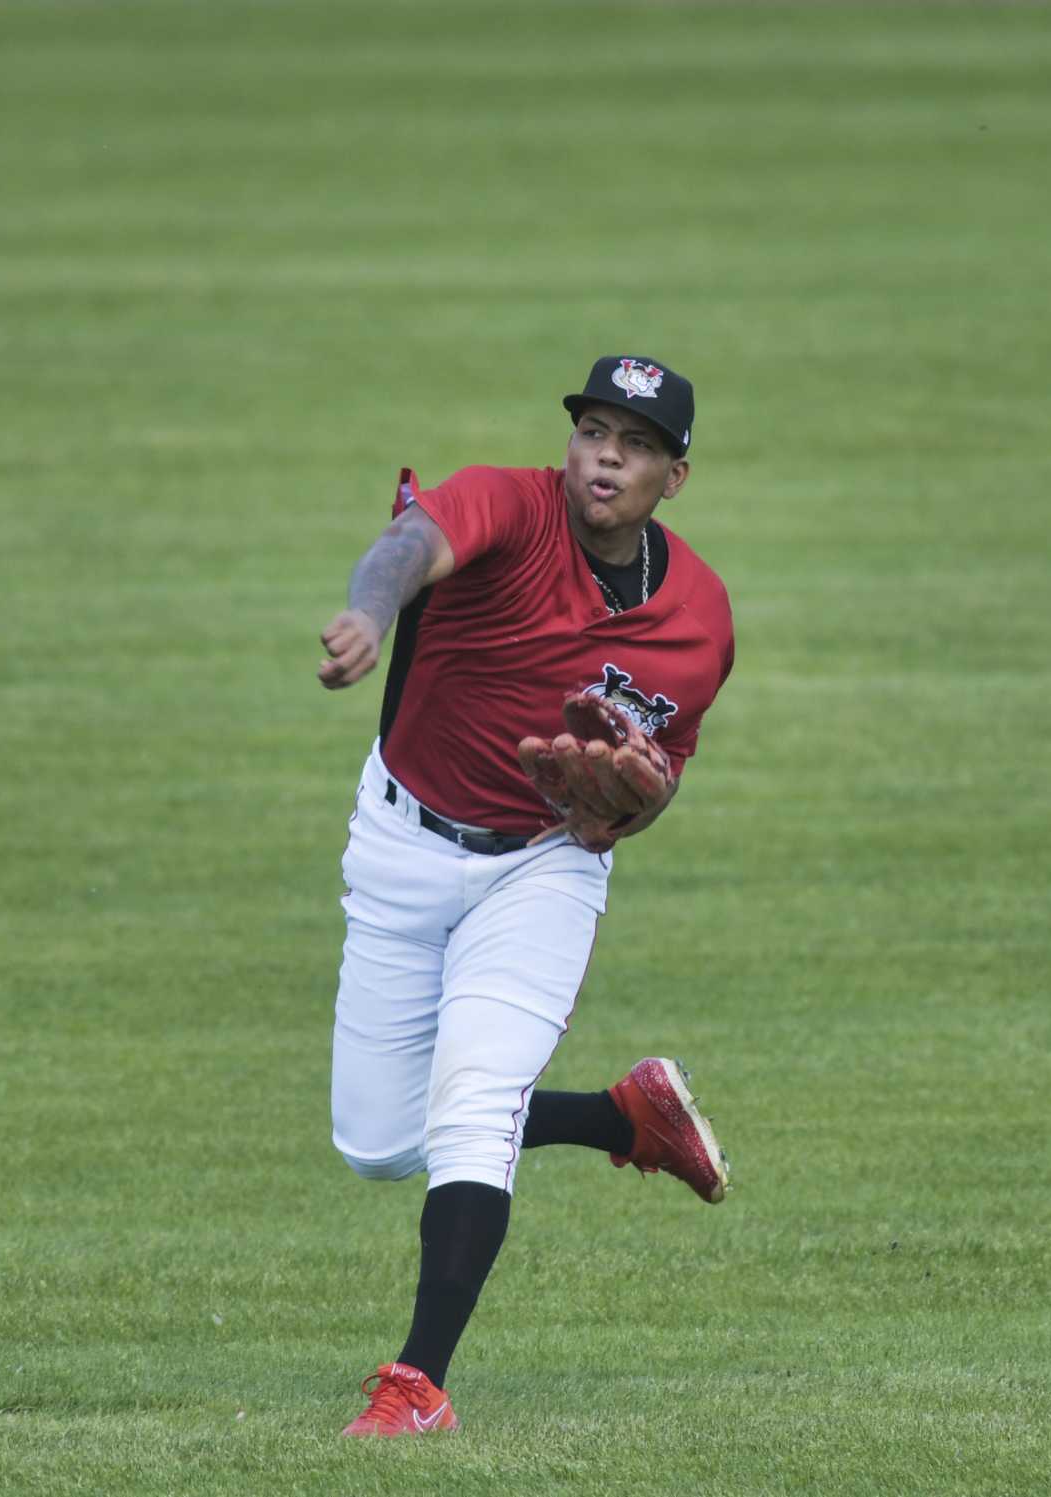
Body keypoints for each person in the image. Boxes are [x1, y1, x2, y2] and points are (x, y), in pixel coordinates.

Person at [314, 355, 737, 1437]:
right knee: (377, 1142)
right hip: (401, 837)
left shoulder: (700, 619)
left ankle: (416, 1386)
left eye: (636, 444)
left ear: (674, 477)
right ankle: (619, 1116)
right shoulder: (506, 506)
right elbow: (407, 547)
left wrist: (627, 811)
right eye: (593, 431)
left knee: (471, 1107)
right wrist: (368, 615)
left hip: (543, 864)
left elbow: (659, 781)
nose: (606, 457)